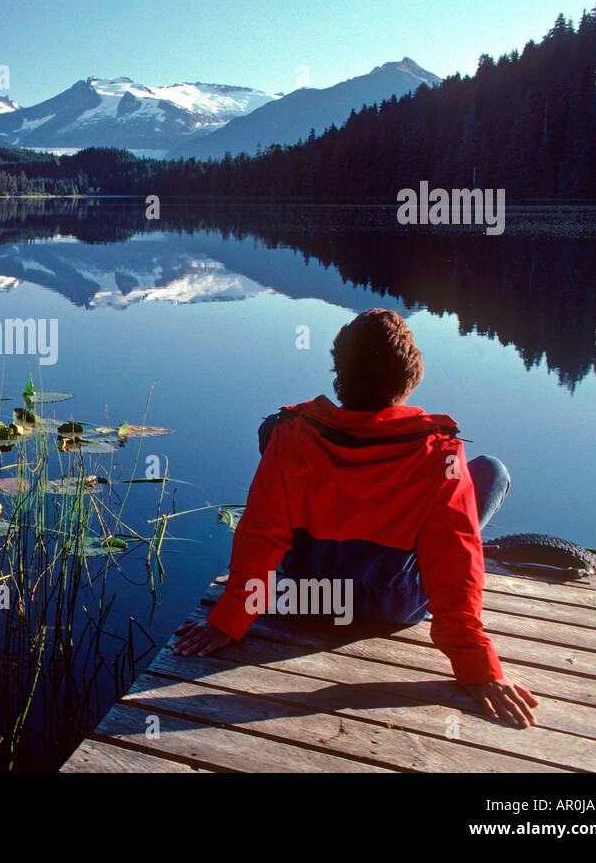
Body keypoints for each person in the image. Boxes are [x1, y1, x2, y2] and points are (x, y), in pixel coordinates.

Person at [174, 309, 539, 728]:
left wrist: (229, 619)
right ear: (409, 379)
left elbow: (261, 534)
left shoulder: (292, 434)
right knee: (491, 471)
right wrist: (479, 666)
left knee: (272, 428)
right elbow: (455, 564)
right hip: (389, 607)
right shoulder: (439, 455)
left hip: (305, 598)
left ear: (339, 372)